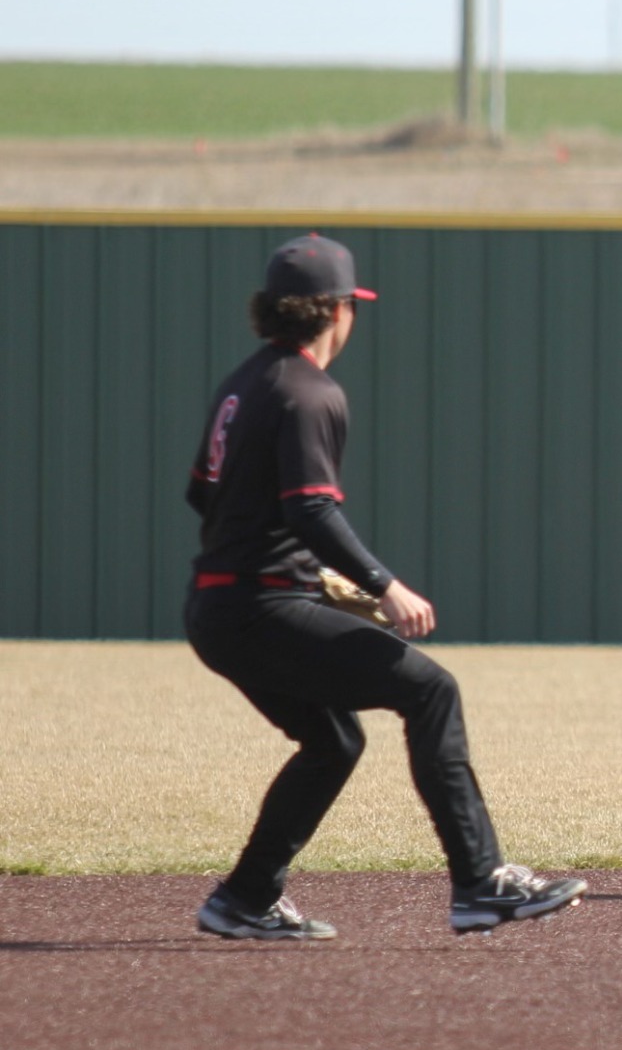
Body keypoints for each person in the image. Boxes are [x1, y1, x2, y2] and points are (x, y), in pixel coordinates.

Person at [182, 233, 585, 939]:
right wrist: (380, 583)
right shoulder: (309, 391)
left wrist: (314, 578)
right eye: (351, 306)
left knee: (333, 741)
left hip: (221, 606)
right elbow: (309, 506)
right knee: (431, 689)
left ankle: (245, 896)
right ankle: (480, 881)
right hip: (258, 608)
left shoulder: (245, 383)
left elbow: (204, 496)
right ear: (337, 309)